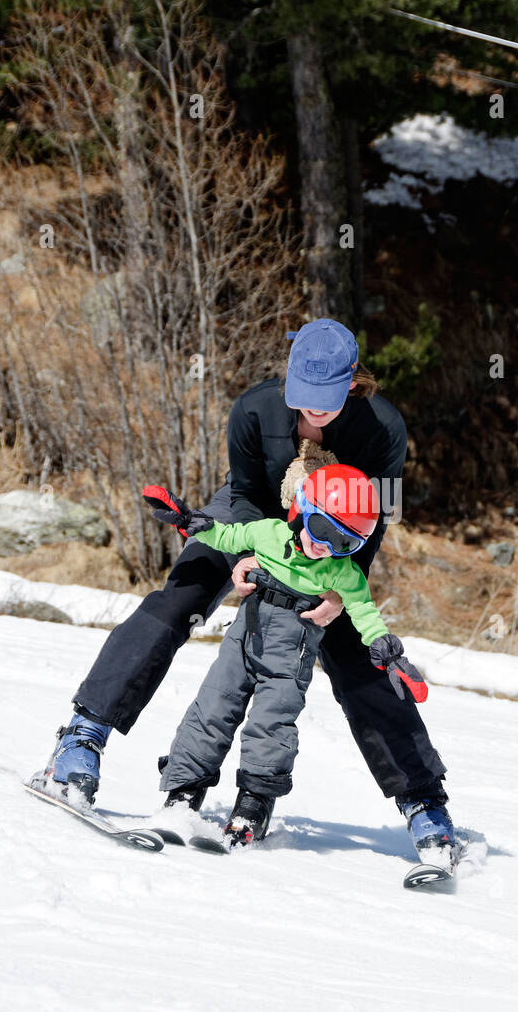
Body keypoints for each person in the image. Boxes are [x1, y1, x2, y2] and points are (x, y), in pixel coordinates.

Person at [33, 318, 453, 856]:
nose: (311, 413)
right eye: (302, 399)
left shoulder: (385, 429)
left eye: (325, 400)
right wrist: (249, 554)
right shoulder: (255, 410)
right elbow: (248, 494)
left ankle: (423, 801)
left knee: (352, 647)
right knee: (182, 596)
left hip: (336, 534)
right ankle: (82, 735)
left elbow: (374, 522)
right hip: (252, 512)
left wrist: (337, 594)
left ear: (352, 382)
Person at [143, 459, 444, 858]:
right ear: (301, 510)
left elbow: (364, 611)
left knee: (271, 725)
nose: (326, 546)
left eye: (345, 542)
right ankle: (182, 795)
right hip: (241, 642)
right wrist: (191, 521)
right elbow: (228, 535)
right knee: (211, 709)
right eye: (321, 529)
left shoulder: (342, 573)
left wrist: (387, 650)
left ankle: (253, 805)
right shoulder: (267, 533)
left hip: (290, 658)